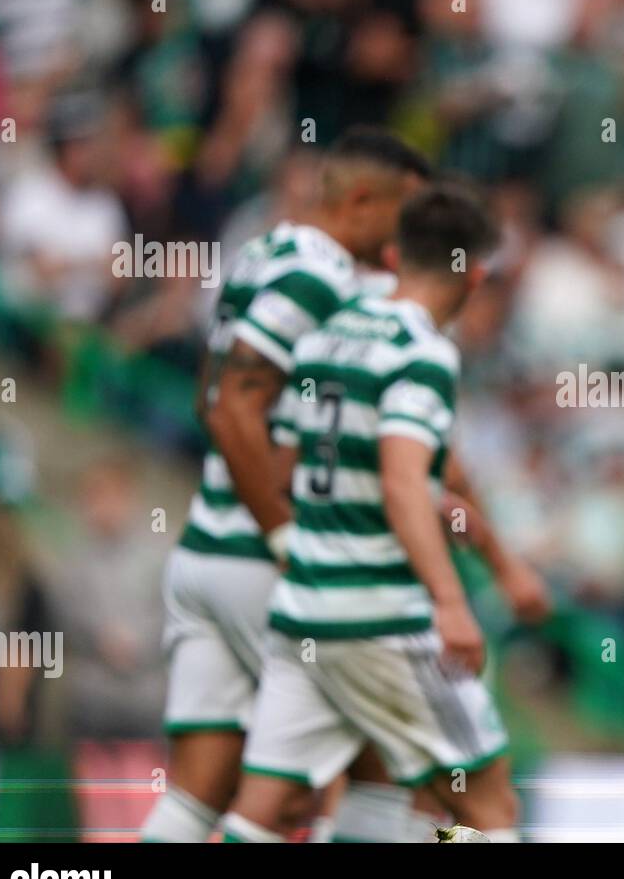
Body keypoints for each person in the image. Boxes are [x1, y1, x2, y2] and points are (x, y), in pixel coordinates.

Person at [141, 127, 432, 842]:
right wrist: (281, 530)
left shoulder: (264, 251)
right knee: (380, 763)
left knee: (203, 785)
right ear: (363, 200)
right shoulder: (319, 275)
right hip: (263, 558)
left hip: (205, 553)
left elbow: (212, 389)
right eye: (407, 214)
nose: (412, 238)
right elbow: (234, 402)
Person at [222, 184, 520, 842]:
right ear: (474, 275)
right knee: (490, 802)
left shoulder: (329, 335)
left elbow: (285, 462)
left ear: (396, 254)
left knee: (261, 812)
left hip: (304, 607)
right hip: (382, 616)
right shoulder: (424, 351)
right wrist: (450, 599)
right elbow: (403, 481)